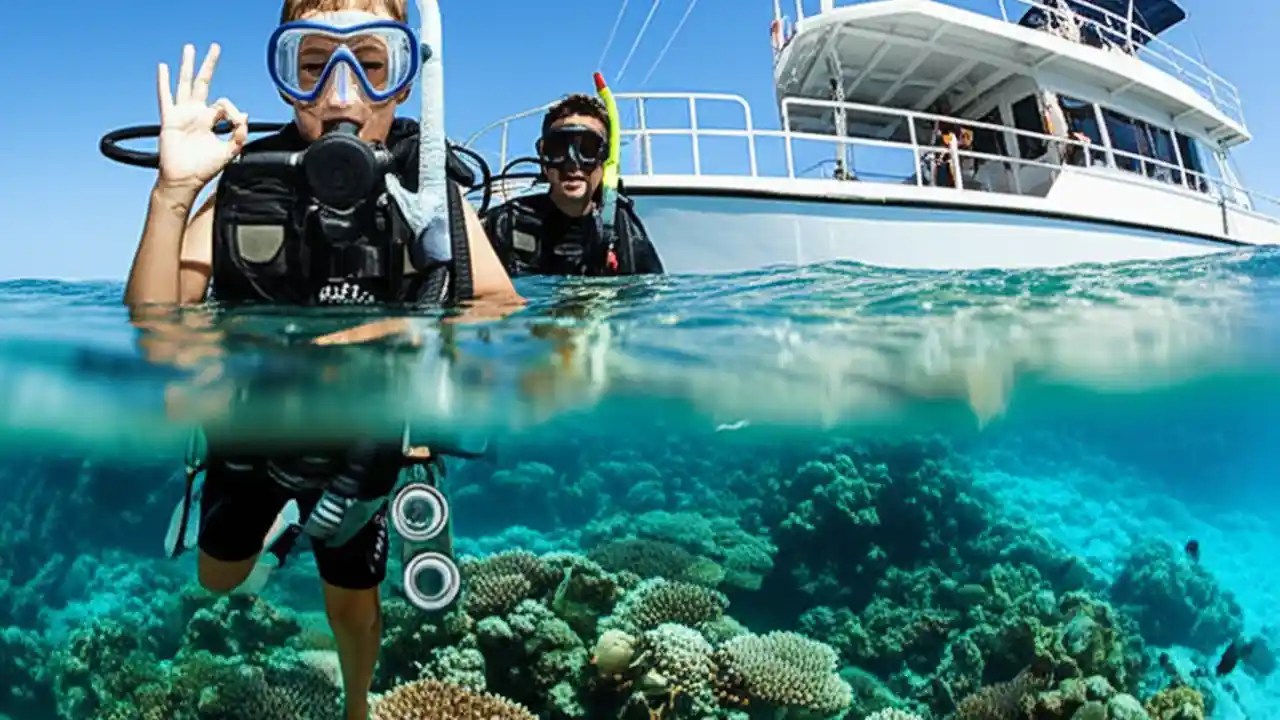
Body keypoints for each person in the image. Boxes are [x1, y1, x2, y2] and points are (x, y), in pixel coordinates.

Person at [122, 1, 520, 718]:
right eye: (311, 66)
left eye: (370, 65)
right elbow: (156, 330)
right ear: (285, 81)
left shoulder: (429, 191)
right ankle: (274, 538)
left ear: (405, 80)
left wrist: (389, 333)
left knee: (354, 604)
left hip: (364, 446)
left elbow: (500, 308)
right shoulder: (249, 182)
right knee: (218, 581)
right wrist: (174, 193)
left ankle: (357, 708)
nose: (340, 96)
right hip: (252, 437)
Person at [482, 94, 665, 277]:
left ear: (605, 159)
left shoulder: (625, 232)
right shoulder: (505, 224)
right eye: (558, 150)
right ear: (543, 158)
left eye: (587, 150)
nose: (572, 164)